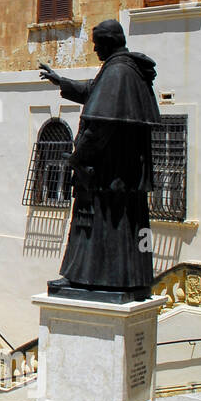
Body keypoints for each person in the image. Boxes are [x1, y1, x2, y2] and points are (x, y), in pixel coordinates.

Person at [39, 19, 161, 298]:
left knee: (102, 227)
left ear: (107, 43)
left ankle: (93, 279)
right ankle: (122, 279)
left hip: (109, 175)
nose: (94, 50)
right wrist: (61, 81)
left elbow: (99, 125)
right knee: (123, 227)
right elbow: (96, 94)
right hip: (122, 176)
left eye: (97, 44)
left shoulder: (118, 71)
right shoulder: (124, 70)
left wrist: (77, 158)